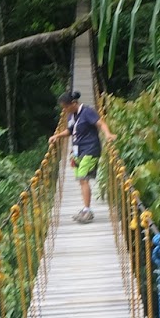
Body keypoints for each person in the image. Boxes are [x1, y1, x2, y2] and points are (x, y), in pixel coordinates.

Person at [50, 90, 115, 223]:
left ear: (74, 103)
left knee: (83, 179)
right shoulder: (71, 115)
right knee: (81, 180)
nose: (64, 110)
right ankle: (85, 209)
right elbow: (70, 131)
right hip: (77, 151)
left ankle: (87, 211)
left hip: (90, 149)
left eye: (66, 107)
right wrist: (57, 136)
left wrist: (108, 134)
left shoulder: (87, 112)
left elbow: (101, 123)